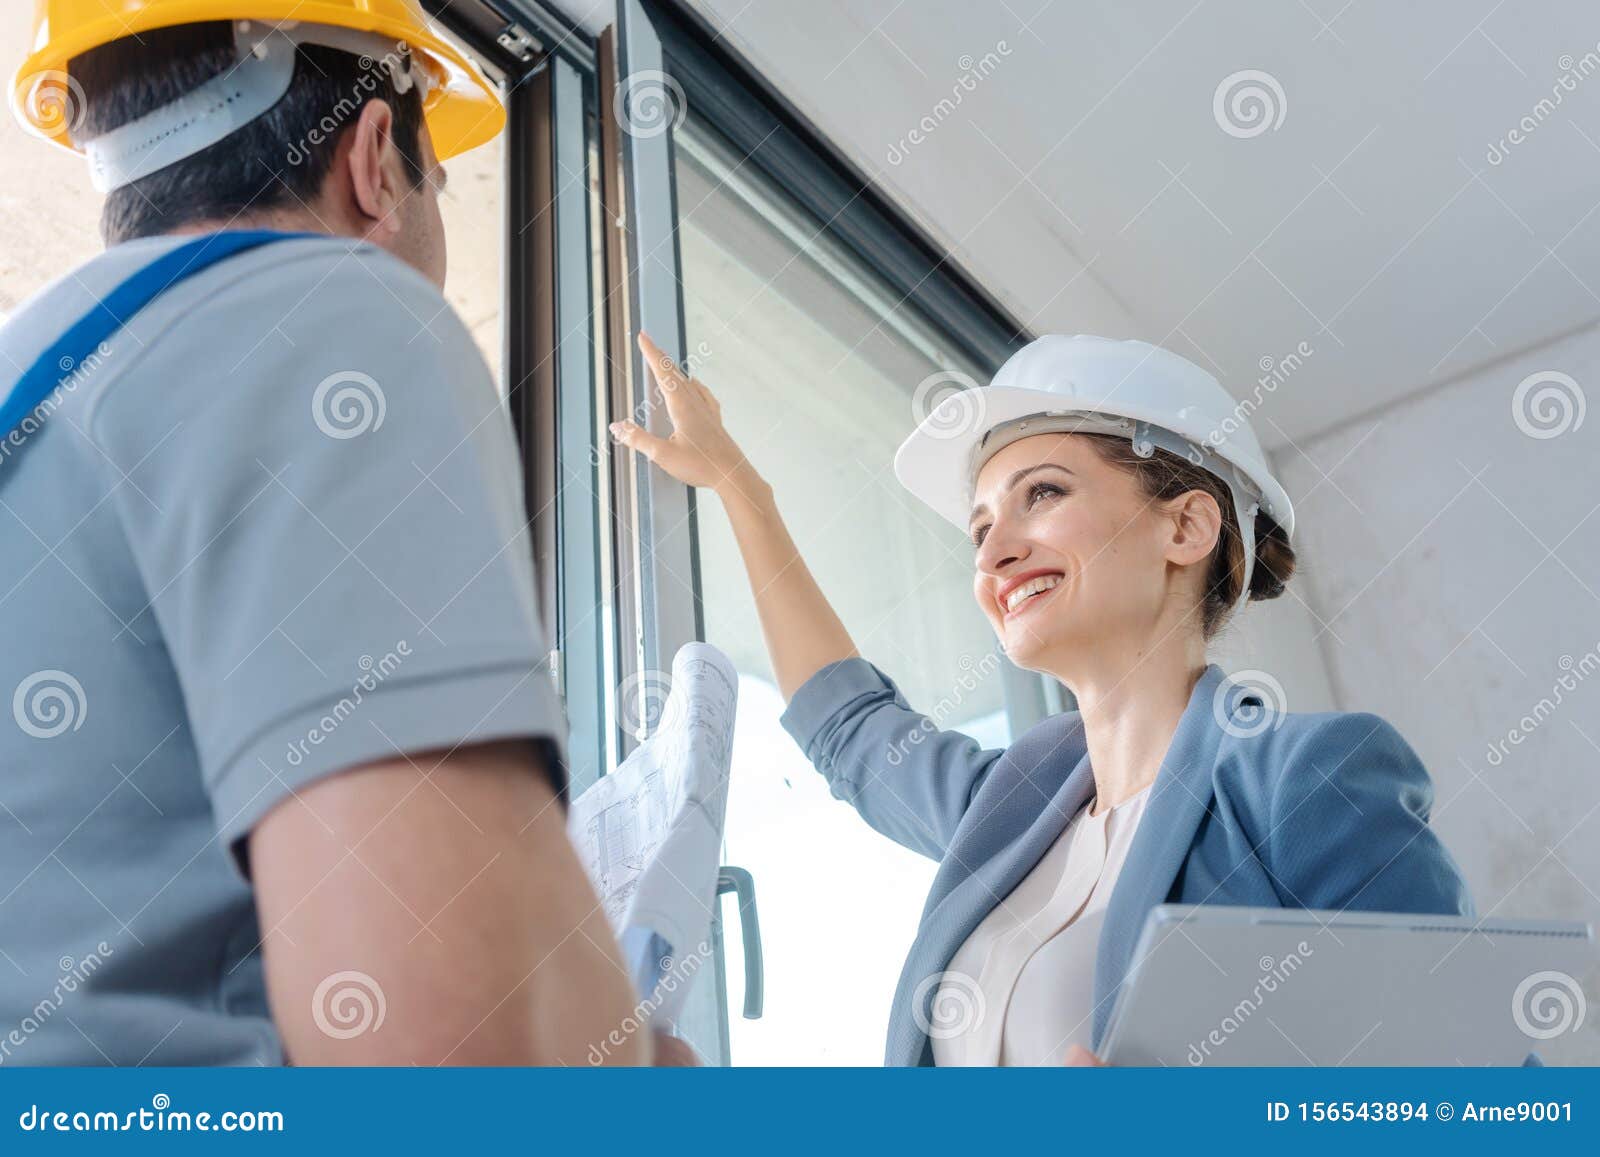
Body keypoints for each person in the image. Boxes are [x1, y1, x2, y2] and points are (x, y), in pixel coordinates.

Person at [0, 1, 658, 1065]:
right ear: (374, 162)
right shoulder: (328, 313)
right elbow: (453, 1058)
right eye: (436, 179)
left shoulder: (42, 382)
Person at [613, 330, 1474, 1067]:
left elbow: (1488, 1102)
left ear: (1186, 527)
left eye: (1045, 495)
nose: (993, 556)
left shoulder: (1305, 781)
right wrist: (738, 488)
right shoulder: (1011, 810)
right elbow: (851, 729)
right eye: (982, 528)